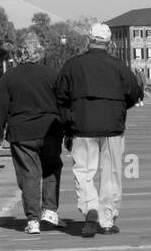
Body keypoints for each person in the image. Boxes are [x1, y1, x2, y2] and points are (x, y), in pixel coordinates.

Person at [55, 23, 143, 238]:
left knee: (84, 171)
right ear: (109, 43)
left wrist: (68, 125)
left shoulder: (73, 66)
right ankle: (106, 219)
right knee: (111, 173)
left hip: (82, 126)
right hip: (113, 126)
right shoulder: (119, 66)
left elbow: (60, 97)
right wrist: (119, 109)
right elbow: (133, 93)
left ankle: (90, 207)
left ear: (89, 41)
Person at [0, 45, 64, 235]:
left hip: (21, 132)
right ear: (40, 54)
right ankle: (50, 211)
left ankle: (33, 220)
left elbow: (0, 107)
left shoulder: (10, 77)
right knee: (52, 168)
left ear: (20, 54)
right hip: (50, 130)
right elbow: (63, 102)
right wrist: (68, 129)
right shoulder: (52, 75)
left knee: (29, 175)